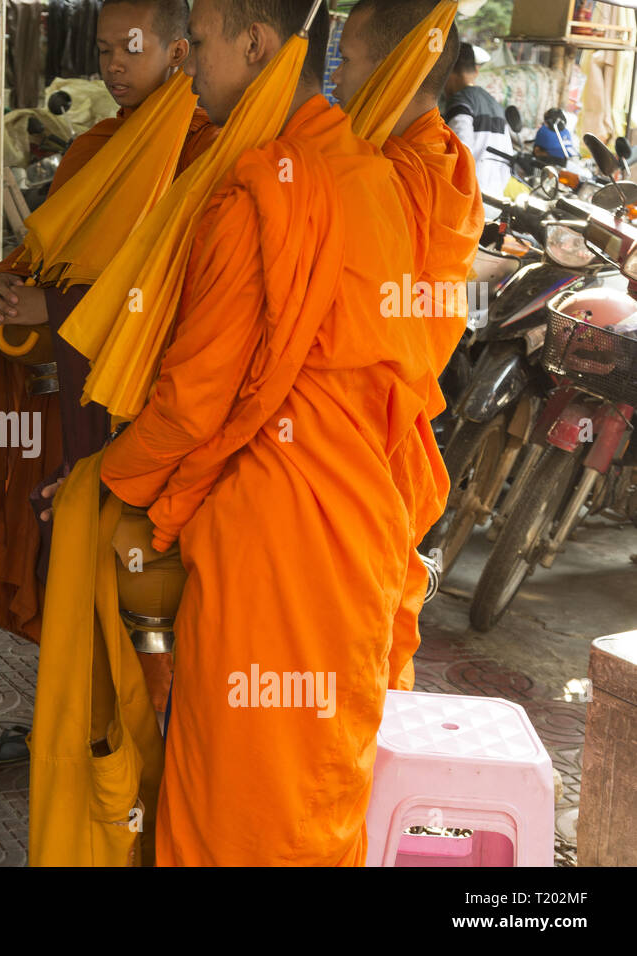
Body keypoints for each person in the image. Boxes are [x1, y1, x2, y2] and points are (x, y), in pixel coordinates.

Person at [99, 0, 429, 865]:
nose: (185, 62)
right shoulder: (366, 175)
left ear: (255, 44)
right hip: (361, 532)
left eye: (199, 43)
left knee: (237, 796)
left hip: (275, 536)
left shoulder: (264, 192)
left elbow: (193, 400)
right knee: (317, 781)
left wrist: (109, 475)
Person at [0, 0, 217, 761]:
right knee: (68, 567)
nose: (113, 65)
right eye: (103, 50)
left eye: (130, 48)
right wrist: (5, 296)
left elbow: (179, 293)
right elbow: (46, 261)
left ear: (179, 49)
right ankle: (73, 722)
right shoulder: (94, 149)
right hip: (75, 403)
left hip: (152, 414)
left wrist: (53, 307)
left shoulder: (206, 152)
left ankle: (143, 742)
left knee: (146, 584)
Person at [333, 0, 484, 692]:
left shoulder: (397, 175)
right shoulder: (447, 162)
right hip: (391, 430)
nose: (337, 77)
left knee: (343, 639)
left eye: (350, 59)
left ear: (396, 65)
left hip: (361, 433)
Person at [444, 41, 512, 207]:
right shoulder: (494, 104)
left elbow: (460, 148)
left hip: (469, 200)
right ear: (475, 71)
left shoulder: (461, 101)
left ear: (449, 71)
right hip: (495, 198)